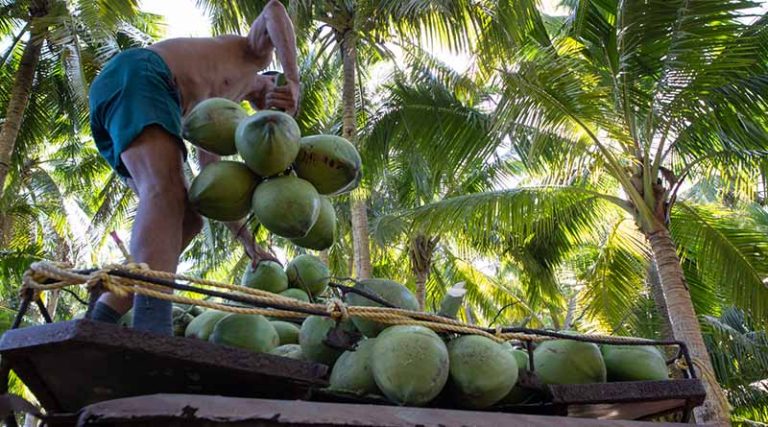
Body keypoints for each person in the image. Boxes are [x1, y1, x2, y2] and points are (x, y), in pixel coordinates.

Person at [87, 0, 299, 335]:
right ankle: (152, 324)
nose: (269, 108)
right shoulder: (253, 56)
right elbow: (274, 10)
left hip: (130, 99)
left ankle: (105, 308)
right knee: (165, 193)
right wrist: (294, 81)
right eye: (277, 100)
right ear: (271, 79)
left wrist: (248, 243)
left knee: (189, 217)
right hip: (144, 73)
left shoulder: (218, 115)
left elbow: (210, 182)